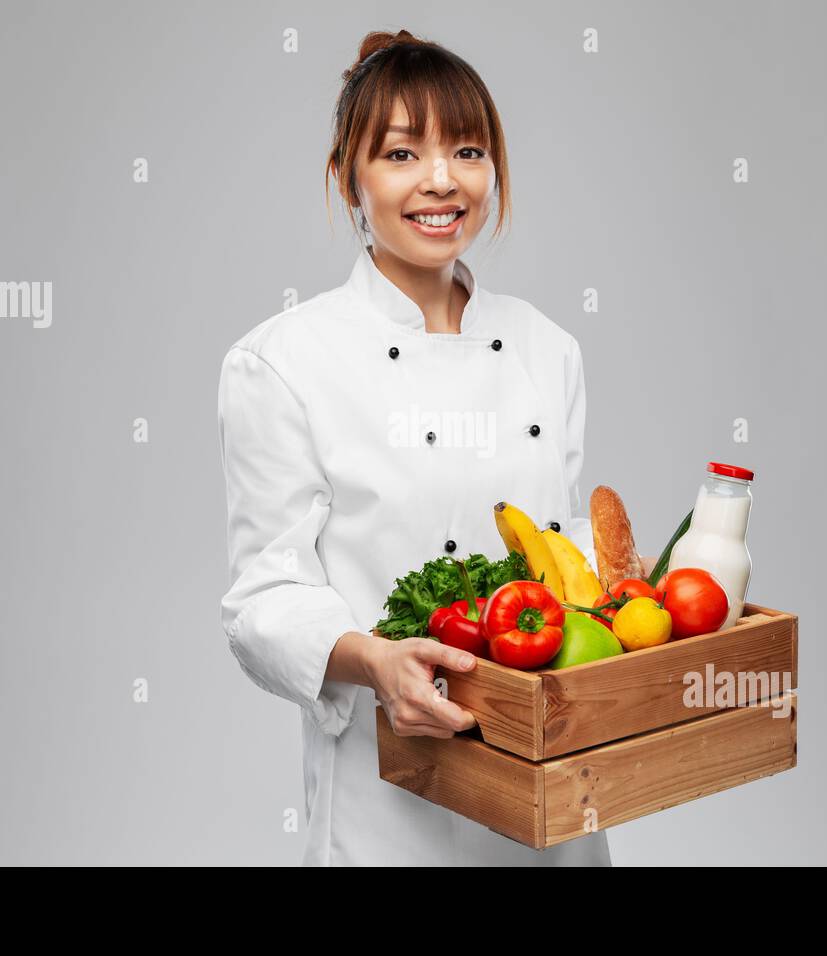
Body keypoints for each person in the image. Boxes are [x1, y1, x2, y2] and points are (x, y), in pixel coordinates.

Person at [217, 29, 612, 865]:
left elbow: (564, 560)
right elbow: (263, 600)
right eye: (402, 153)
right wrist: (376, 661)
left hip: (550, 805)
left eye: (467, 149)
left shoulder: (550, 349)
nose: (442, 180)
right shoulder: (282, 362)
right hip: (387, 804)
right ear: (347, 178)